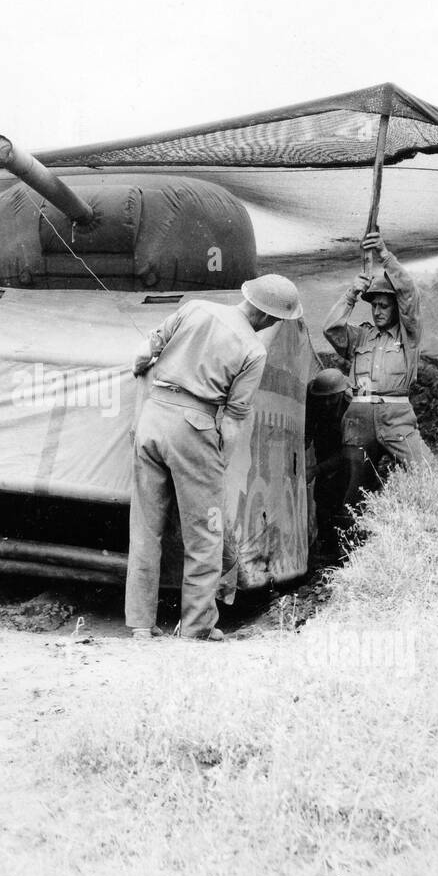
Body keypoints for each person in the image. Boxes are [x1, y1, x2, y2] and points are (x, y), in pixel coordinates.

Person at [126, 274, 302, 642]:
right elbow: (235, 421)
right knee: (206, 535)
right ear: (270, 317)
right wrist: (218, 466)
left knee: (145, 528)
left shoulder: (194, 308)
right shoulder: (254, 351)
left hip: (152, 418)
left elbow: (144, 353)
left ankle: (141, 624)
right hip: (194, 430)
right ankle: (196, 627)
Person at [322, 230, 432, 517]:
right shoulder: (361, 337)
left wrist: (384, 255)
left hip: (396, 418)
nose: (378, 311)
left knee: (426, 471)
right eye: (375, 306)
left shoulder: (409, 336)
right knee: (353, 489)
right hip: (358, 420)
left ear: (397, 309)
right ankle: (349, 549)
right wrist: (352, 294)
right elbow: (331, 328)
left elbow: (408, 292)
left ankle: (420, 520)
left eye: (385, 306)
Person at [305, 367, 352, 562]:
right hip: (324, 441)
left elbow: (348, 450)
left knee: (343, 498)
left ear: (341, 393)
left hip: (348, 450)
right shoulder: (314, 394)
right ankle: (326, 546)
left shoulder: (352, 406)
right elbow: (309, 420)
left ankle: (342, 550)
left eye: (331, 398)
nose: (325, 402)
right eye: (322, 398)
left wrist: (316, 469)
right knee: (322, 498)